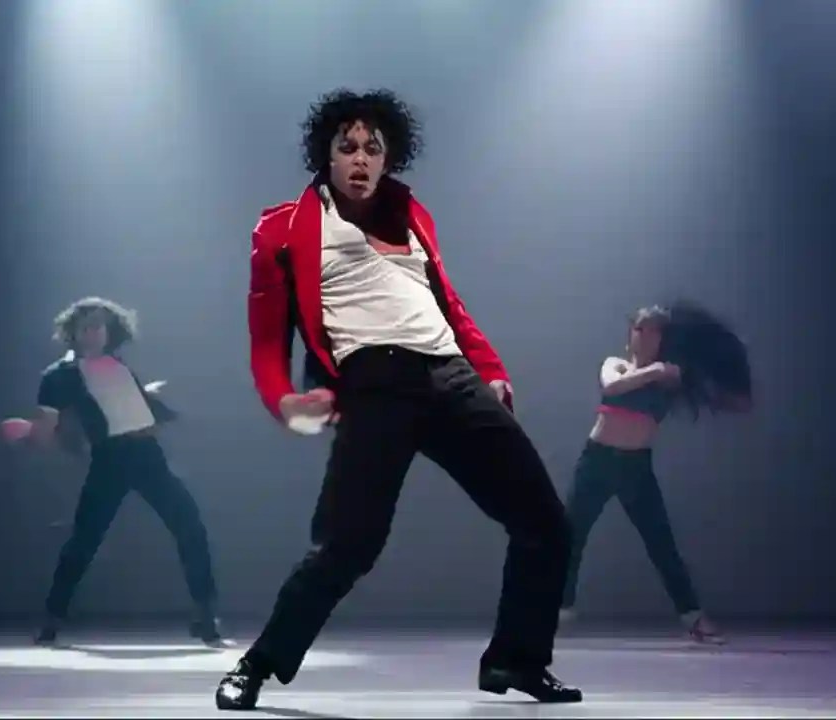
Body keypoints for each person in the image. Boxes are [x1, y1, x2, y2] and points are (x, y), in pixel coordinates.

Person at [215, 89, 581, 710]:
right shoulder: (284, 229)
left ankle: (515, 660)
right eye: (347, 147)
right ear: (326, 157)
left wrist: (489, 367)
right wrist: (283, 401)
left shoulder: (413, 217)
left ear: (389, 159)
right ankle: (258, 664)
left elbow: (449, 303)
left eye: (373, 149)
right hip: (374, 384)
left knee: (546, 523)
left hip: (449, 377)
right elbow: (265, 343)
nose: (360, 159)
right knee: (348, 546)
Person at [0, 297, 232, 648]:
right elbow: (48, 429)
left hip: (149, 457)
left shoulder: (119, 366)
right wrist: (28, 433)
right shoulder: (59, 375)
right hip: (111, 460)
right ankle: (52, 618)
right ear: (73, 333)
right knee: (84, 540)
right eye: (86, 327)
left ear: (111, 331)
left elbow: (126, 406)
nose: (94, 333)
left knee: (189, 525)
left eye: (100, 326)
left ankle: (205, 614)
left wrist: (150, 396)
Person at [560, 302, 753, 644]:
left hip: (636, 467)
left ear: (664, 338)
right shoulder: (615, 364)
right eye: (640, 329)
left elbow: (728, 399)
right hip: (597, 461)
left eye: (654, 331)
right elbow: (612, 388)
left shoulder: (673, 378)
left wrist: (708, 373)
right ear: (630, 335)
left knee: (661, 544)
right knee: (570, 536)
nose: (646, 337)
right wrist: (654, 372)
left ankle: (694, 618)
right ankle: (558, 610)